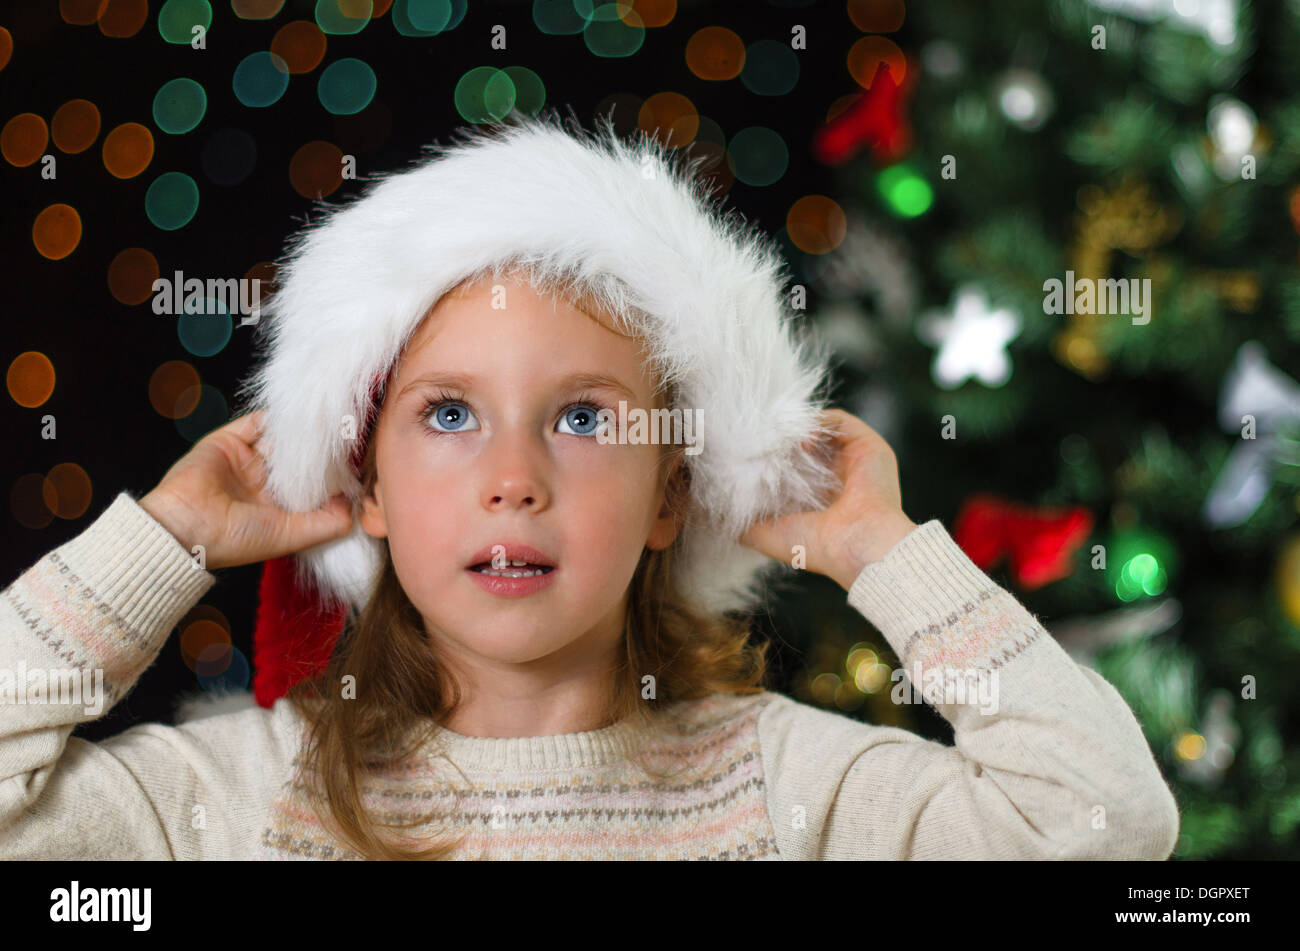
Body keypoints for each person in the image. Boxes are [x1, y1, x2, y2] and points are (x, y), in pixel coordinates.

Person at [0, 112, 1180, 860]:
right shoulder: (237, 801)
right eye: (449, 415)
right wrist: (163, 539)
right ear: (363, 481)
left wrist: (882, 550)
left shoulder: (795, 795)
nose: (514, 480)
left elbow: (1102, 822)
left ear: (674, 491)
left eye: (581, 417)